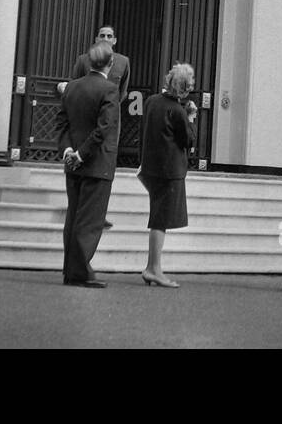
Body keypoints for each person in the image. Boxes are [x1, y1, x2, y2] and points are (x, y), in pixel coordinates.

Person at [57, 41, 119, 287]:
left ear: (89, 62)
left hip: (72, 162)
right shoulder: (109, 89)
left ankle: (71, 270)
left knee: (73, 217)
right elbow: (104, 128)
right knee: (90, 221)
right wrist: (82, 154)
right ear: (110, 63)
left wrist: (68, 151)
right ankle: (81, 271)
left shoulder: (71, 87)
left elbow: (62, 124)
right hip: (97, 162)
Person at [138, 62, 197, 288]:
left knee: (157, 217)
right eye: (189, 85)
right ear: (183, 88)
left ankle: (153, 267)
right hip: (170, 170)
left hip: (151, 168)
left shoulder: (152, 101)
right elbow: (188, 141)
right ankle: (153, 268)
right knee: (160, 221)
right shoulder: (178, 111)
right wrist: (191, 116)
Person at [70, 25, 129, 103]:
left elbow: (123, 90)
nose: (105, 39)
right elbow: (75, 85)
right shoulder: (83, 60)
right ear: (96, 39)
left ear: (114, 41)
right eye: (102, 36)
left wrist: (113, 105)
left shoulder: (123, 61)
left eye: (109, 36)